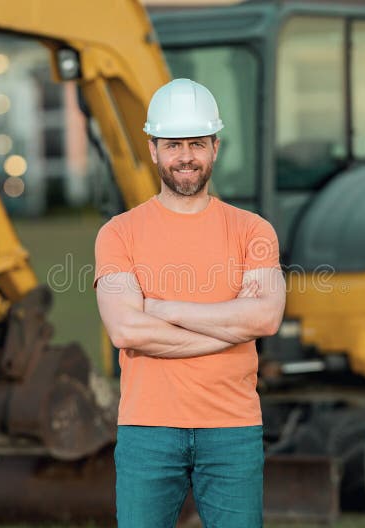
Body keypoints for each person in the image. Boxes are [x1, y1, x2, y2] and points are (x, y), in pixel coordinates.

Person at [93, 78, 286, 527]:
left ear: (215, 147)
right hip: (147, 429)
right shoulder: (119, 233)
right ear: (153, 149)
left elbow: (265, 317)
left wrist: (165, 309)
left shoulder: (252, 231)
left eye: (196, 143)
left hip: (233, 428)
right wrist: (229, 331)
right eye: (173, 144)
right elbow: (126, 330)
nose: (185, 157)